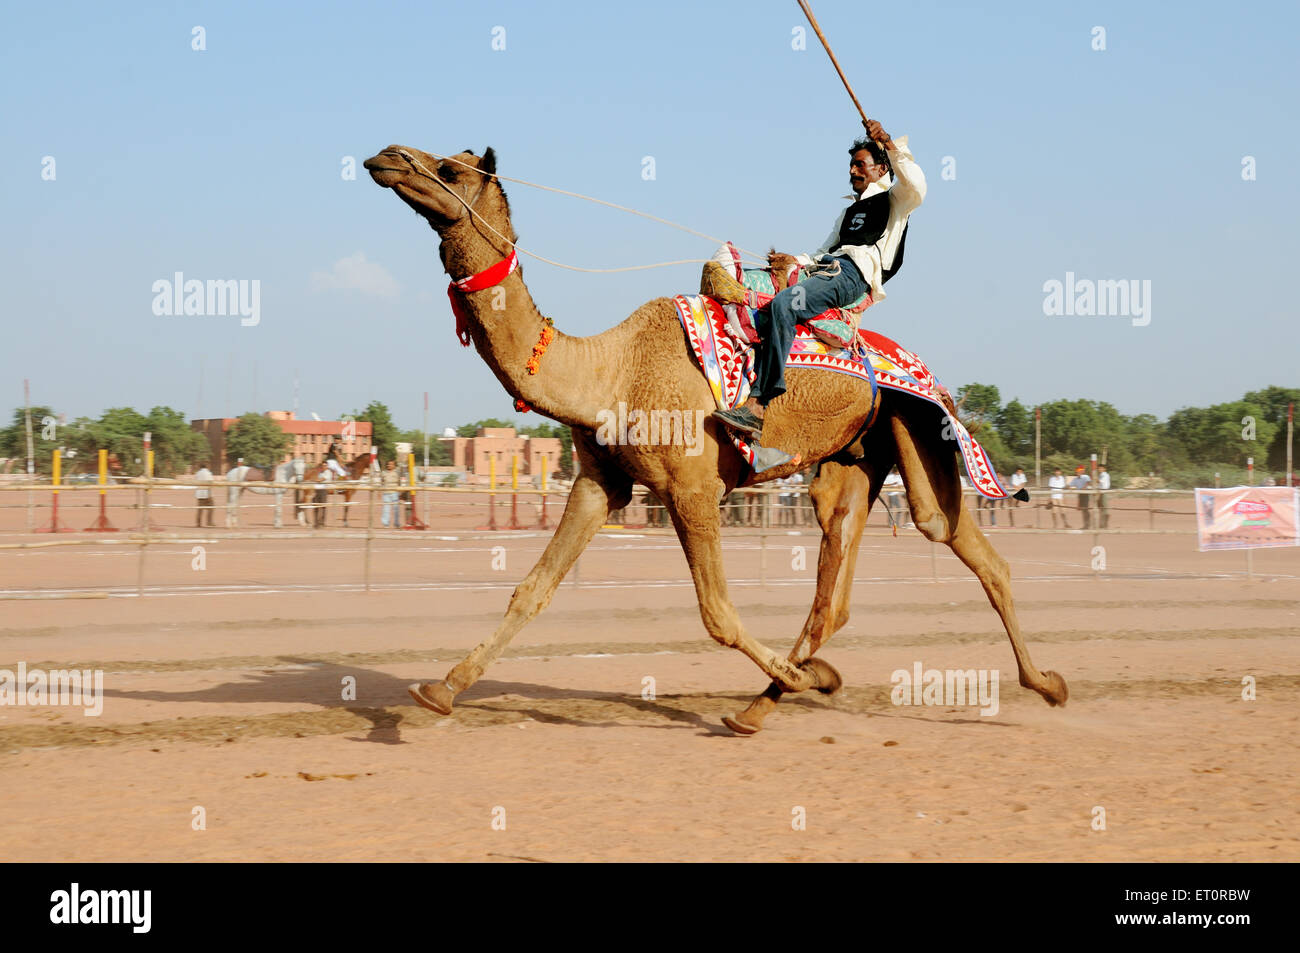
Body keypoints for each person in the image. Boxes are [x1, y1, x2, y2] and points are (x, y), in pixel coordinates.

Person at [711, 119, 927, 456]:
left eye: (861, 164)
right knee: (759, 309)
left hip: (852, 276)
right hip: (827, 270)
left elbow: (918, 184)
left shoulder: (896, 200)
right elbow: (820, 253)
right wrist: (790, 260)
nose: (854, 171)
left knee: (784, 306)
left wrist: (891, 145)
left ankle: (759, 405)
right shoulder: (848, 212)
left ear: (881, 168)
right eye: (852, 165)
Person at [380, 459, 400, 527]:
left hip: (394, 493)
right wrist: (380, 492)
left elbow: (399, 482)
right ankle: (386, 523)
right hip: (386, 493)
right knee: (386, 509)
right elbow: (381, 482)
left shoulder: (397, 472)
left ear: (394, 465)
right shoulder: (383, 473)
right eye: (388, 464)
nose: (389, 465)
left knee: (396, 509)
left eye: (391, 464)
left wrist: (399, 492)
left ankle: (396, 523)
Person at [194, 461, 214, 527]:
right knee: (211, 507)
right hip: (207, 493)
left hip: (199, 493)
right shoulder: (208, 473)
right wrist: (210, 494)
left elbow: (195, 481)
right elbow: (210, 483)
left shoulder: (197, 473)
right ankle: (209, 522)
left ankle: (198, 523)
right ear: (207, 466)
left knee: (200, 509)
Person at [1096, 464, 1111, 529]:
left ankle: (1105, 524)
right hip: (1100, 492)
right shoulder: (1100, 475)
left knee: (1104, 508)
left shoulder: (1105, 475)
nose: (1099, 469)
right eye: (1099, 468)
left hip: (1104, 492)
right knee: (1101, 509)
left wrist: (1094, 477)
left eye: (1101, 468)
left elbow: (1099, 482)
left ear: (1104, 469)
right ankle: (1101, 524)